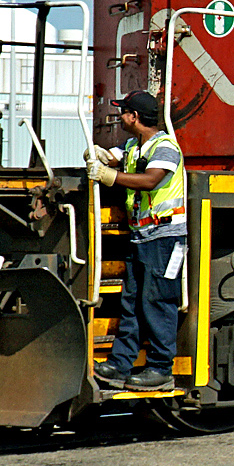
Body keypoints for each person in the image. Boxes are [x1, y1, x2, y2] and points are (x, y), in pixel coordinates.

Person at [84, 92, 184, 391]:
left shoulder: (165, 147)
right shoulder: (134, 146)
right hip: (143, 237)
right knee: (131, 302)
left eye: (123, 112)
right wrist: (98, 155)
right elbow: (114, 156)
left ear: (134, 117)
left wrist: (109, 176)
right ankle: (120, 364)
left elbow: (151, 180)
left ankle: (161, 369)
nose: (120, 117)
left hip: (165, 238)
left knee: (158, 302)